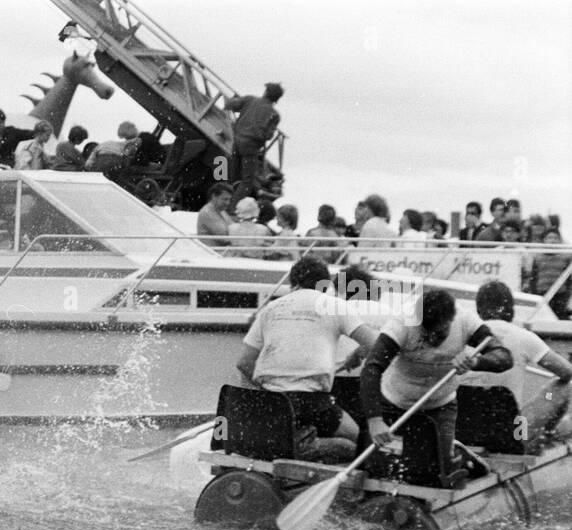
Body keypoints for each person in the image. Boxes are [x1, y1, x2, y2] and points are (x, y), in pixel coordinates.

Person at [360, 288, 513, 487]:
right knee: (383, 468)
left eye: (439, 333)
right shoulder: (401, 323)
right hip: (395, 402)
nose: (432, 339)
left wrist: (477, 362)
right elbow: (371, 369)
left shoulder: (466, 321)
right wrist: (375, 420)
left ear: (451, 319)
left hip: (440, 405)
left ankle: (454, 452)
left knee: (439, 476)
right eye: (426, 333)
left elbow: (504, 357)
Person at [234, 256, 380, 456]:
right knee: (365, 445)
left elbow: (244, 362)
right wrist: (358, 354)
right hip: (313, 403)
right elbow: (376, 345)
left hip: (271, 403)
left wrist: (272, 388)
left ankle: (303, 443)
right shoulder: (334, 305)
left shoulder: (270, 308)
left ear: (292, 283)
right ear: (325, 284)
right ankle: (311, 447)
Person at [463, 280, 572, 443]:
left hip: (465, 430)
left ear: (478, 310)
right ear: (510, 309)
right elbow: (567, 372)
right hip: (511, 432)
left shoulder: (461, 337)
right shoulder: (523, 336)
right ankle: (546, 434)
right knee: (562, 386)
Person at [226, 82, 283, 195]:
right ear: (277, 99)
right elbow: (269, 135)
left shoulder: (250, 100)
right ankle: (233, 207)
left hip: (237, 142)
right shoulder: (274, 114)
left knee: (232, 175)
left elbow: (230, 105)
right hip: (251, 147)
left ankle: (225, 198)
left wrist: (235, 101)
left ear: (266, 92)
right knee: (247, 181)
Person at [529, 229, 572, 317]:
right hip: (541, 295)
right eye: (549, 238)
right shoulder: (537, 257)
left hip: (560, 295)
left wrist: (566, 296)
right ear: (544, 240)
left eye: (556, 238)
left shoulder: (566, 257)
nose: (552, 240)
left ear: (560, 241)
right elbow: (534, 278)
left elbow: (569, 280)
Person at [196, 183, 235, 248]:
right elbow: (224, 238)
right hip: (213, 254)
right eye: (225, 199)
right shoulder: (207, 213)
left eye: (229, 199)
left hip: (224, 252)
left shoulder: (222, 211)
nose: (228, 203)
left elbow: (233, 228)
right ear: (214, 197)